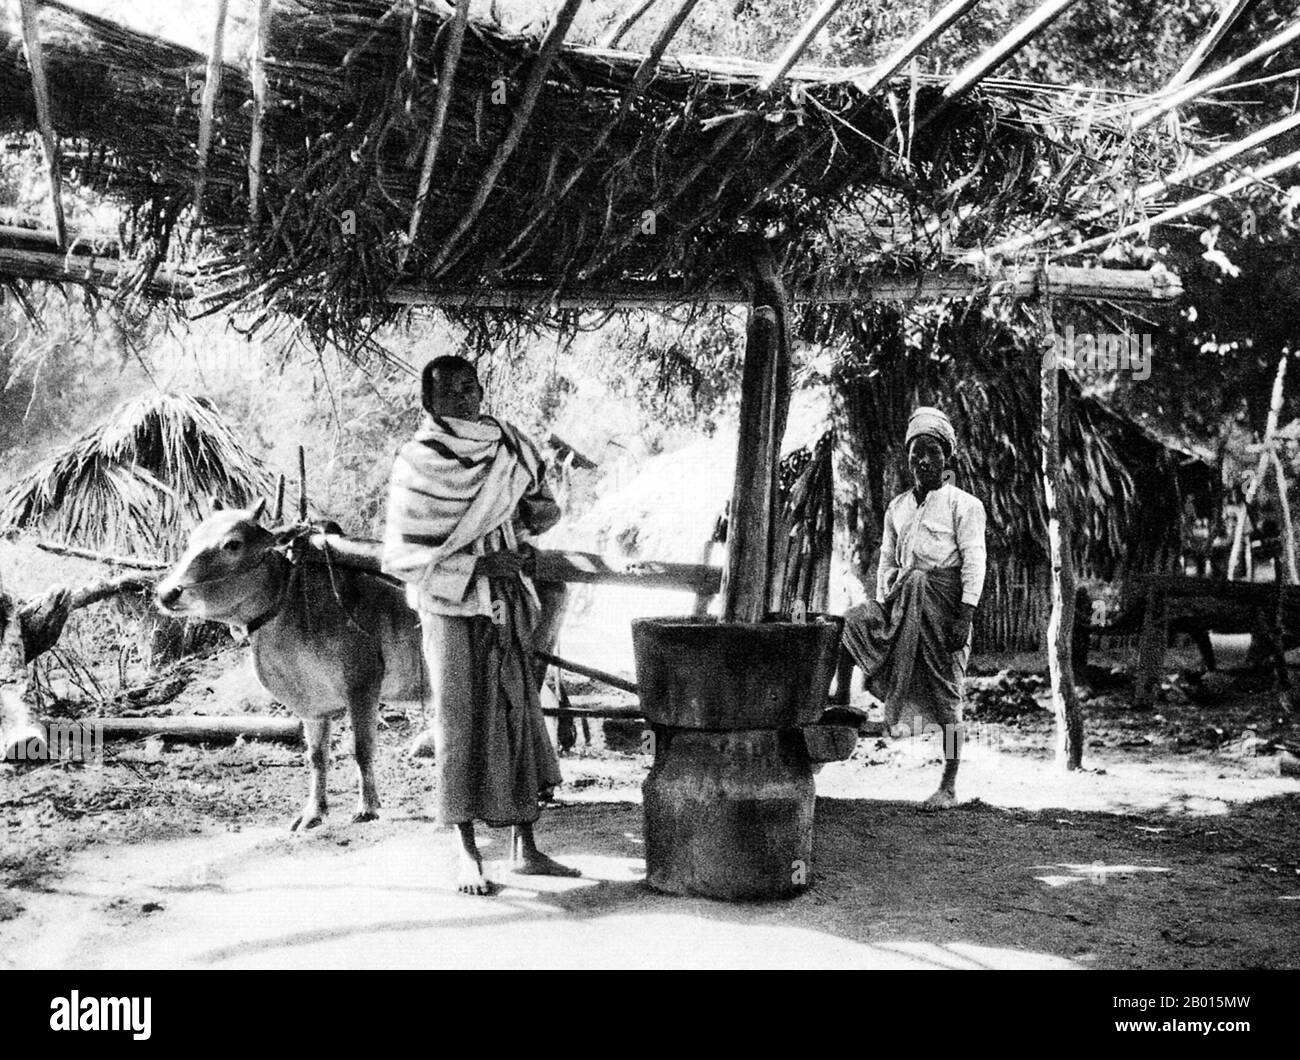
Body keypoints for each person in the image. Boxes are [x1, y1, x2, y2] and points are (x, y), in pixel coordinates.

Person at [381, 355, 579, 894]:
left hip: (508, 597)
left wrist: (525, 520)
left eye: (472, 388)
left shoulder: (509, 443)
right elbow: (402, 553)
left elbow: (541, 509)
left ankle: (526, 845)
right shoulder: (417, 462)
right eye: (453, 393)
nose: (467, 399)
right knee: (458, 719)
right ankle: (466, 850)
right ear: (429, 402)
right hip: (451, 604)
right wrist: (477, 563)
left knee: (517, 708)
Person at [833, 406, 986, 810]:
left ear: (947, 458)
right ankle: (842, 699)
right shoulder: (897, 506)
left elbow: (975, 562)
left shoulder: (964, 505)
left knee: (947, 695)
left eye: (932, 452)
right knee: (852, 624)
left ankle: (949, 786)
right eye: (916, 452)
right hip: (902, 599)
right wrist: (886, 594)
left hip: (944, 608)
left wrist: (965, 616)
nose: (923, 460)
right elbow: (886, 558)